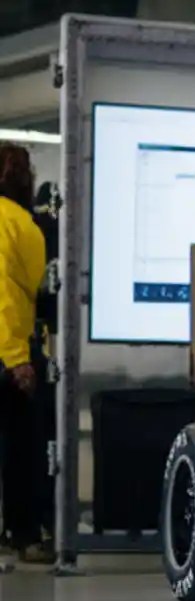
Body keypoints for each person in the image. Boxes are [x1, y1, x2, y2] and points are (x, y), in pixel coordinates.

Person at [0, 143, 52, 563]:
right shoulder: (17, 223)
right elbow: (7, 296)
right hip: (9, 348)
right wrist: (17, 357)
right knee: (24, 448)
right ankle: (25, 535)